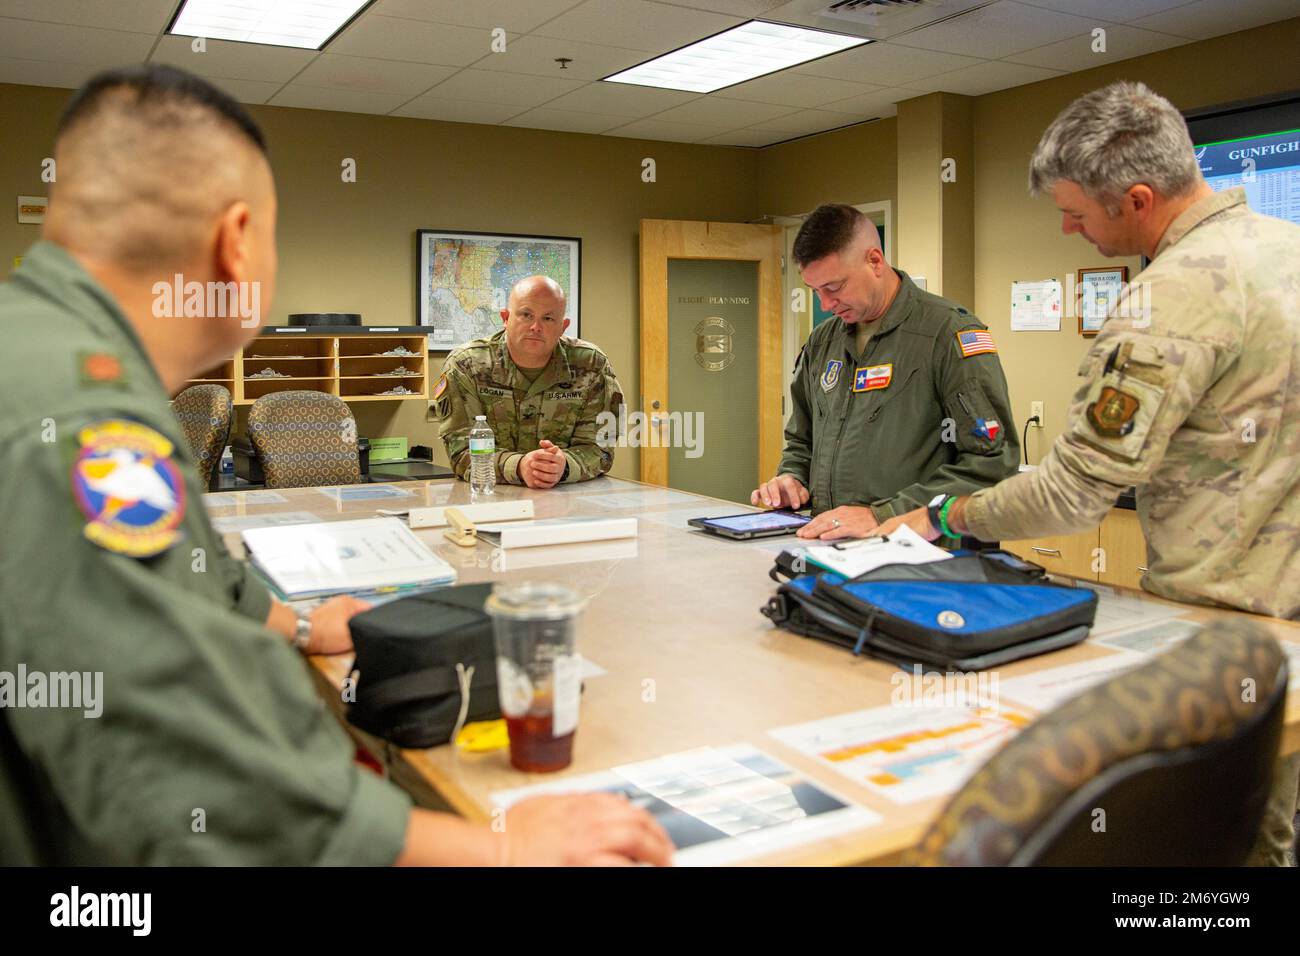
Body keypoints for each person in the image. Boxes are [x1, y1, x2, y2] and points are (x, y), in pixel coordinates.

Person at [0, 64, 672, 866]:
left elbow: (186, 570)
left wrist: (301, 622)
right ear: (236, 240)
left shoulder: (47, 360)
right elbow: (178, 779)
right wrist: (498, 850)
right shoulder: (87, 425)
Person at [869, 80, 1300, 866]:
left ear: (1137, 200)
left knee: (1231, 847)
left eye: (1075, 211)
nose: (1067, 228)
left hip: (1227, 632)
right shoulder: (1288, 248)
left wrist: (943, 517)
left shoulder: (1164, 300)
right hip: (1285, 629)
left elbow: (1075, 492)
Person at [749, 204, 1018, 540]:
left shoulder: (948, 334)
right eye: (815, 291)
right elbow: (802, 440)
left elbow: (990, 465)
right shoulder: (823, 341)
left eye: (834, 288)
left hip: (922, 555)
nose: (825, 305)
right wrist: (792, 477)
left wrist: (884, 515)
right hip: (832, 546)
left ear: (875, 261)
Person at [434, 276, 622, 489]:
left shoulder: (591, 364)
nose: (536, 327)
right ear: (505, 318)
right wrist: (519, 466)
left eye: (548, 318)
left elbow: (601, 450)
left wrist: (564, 466)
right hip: (492, 498)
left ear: (563, 326)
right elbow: (462, 454)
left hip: (566, 498)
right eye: (526, 315)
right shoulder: (467, 365)